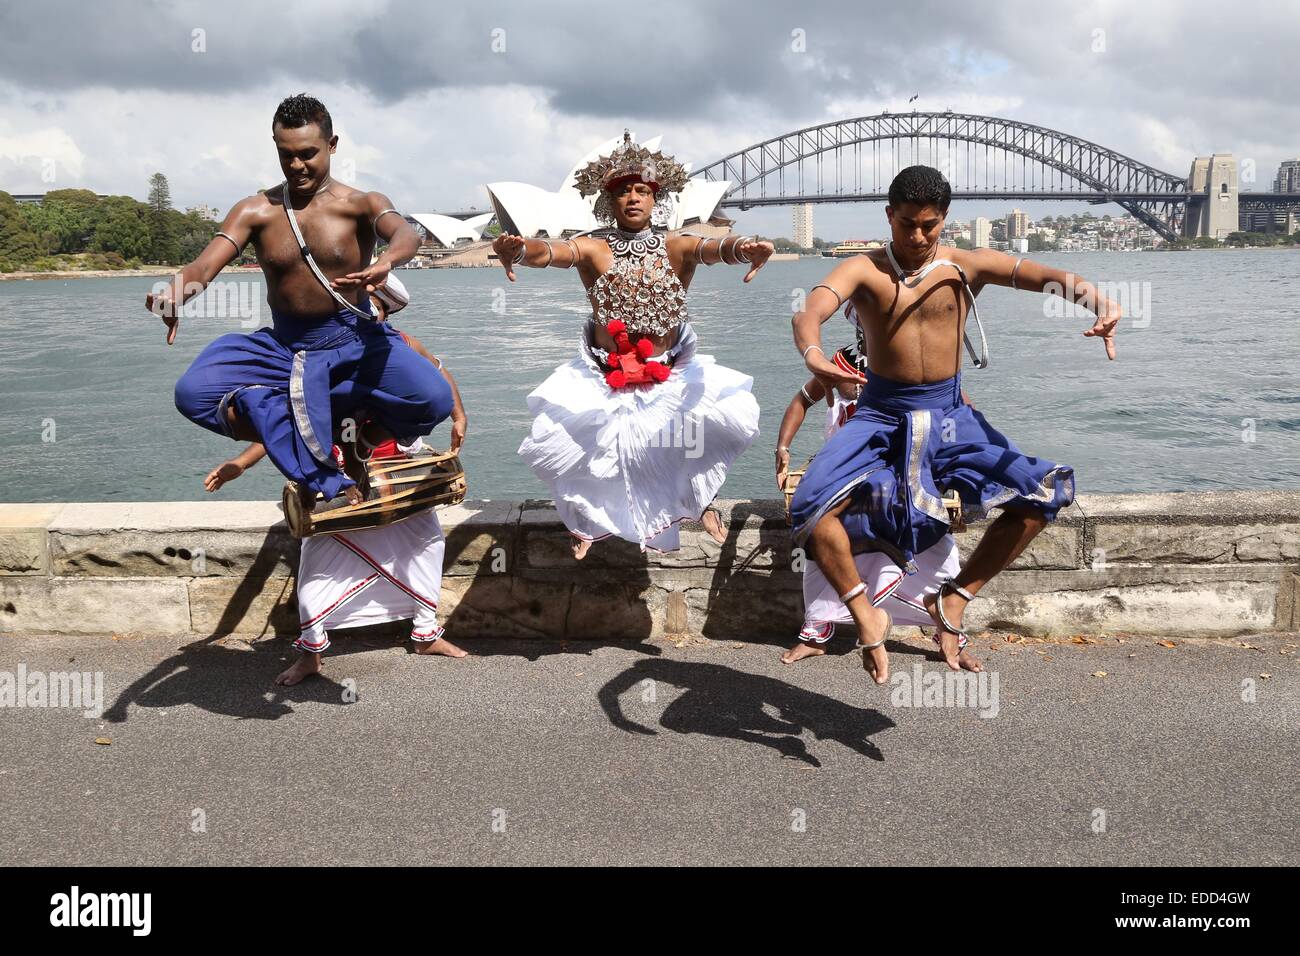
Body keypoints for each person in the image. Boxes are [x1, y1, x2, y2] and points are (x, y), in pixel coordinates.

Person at [789, 165, 1122, 682]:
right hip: (880, 412)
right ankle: (867, 618)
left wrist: (1098, 301)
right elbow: (811, 308)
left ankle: (954, 599)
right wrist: (811, 350)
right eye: (906, 224)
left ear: (945, 219)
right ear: (889, 216)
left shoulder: (965, 266)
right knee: (810, 506)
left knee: (1043, 493)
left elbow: (1046, 277)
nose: (918, 237)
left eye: (929, 225)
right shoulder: (864, 271)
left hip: (950, 414)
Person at [148, 93, 452, 512]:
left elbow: (406, 234)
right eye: (286, 155)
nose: (297, 166)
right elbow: (202, 267)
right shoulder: (256, 210)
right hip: (288, 348)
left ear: (332, 145)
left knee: (433, 400)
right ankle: (320, 468)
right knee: (193, 393)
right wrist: (173, 294)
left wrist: (387, 261)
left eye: (308, 154)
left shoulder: (361, 204)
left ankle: (360, 441)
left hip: (356, 341)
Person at [496, 132, 772, 558]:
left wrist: (746, 248)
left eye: (641, 190)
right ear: (609, 200)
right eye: (623, 191)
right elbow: (549, 252)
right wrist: (517, 249)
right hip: (605, 370)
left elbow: (717, 248)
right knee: (572, 445)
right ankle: (586, 519)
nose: (633, 198)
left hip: (669, 367)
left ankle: (698, 503)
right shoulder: (592, 247)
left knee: (707, 430)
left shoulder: (676, 244)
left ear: (655, 197)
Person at [204, 283, 470, 685]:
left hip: (395, 473)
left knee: (428, 546)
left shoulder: (401, 345)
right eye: (362, 307)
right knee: (316, 571)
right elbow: (282, 421)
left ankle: (425, 633)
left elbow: (438, 370)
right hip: (339, 484)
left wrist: (458, 413)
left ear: (385, 312)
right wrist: (239, 463)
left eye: (375, 308)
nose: (369, 314)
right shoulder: (312, 357)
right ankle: (311, 654)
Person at [774, 330, 970, 682]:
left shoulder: (921, 365)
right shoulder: (841, 363)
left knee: (936, 549)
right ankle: (817, 632)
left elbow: (962, 412)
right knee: (822, 546)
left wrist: (962, 463)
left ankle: (946, 628)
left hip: (904, 475)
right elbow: (801, 400)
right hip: (841, 474)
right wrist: (783, 449)